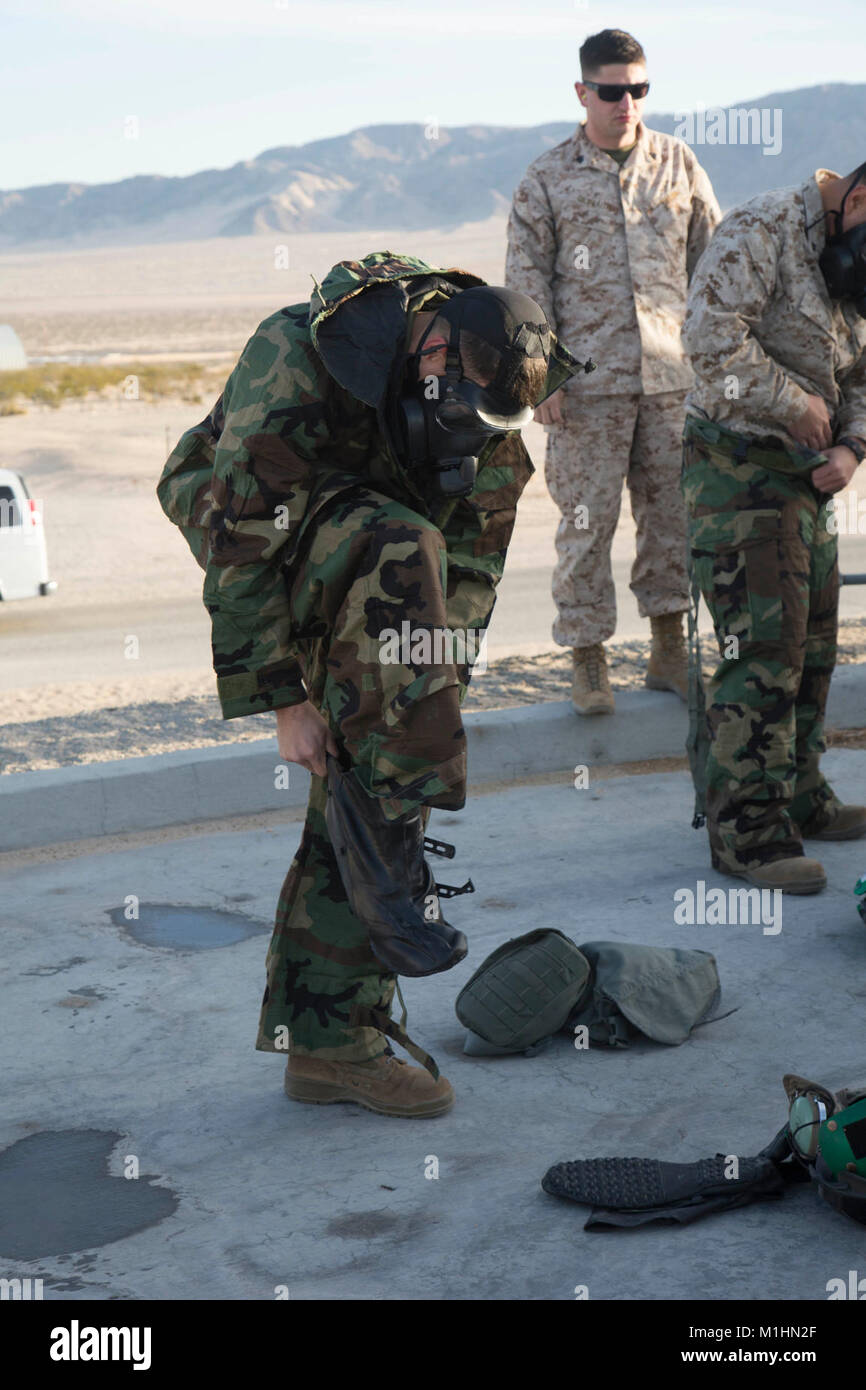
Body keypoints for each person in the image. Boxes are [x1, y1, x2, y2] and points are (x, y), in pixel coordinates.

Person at [157, 252, 579, 1115]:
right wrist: (286, 701)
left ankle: (325, 1043)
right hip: (251, 513)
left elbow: (470, 564)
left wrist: (426, 692)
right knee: (393, 549)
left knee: (385, 751)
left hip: (380, 535)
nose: (478, 428)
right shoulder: (297, 361)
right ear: (431, 355)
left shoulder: (487, 412)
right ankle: (334, 1031)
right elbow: (242, 546)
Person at [505, 27, 720, 715]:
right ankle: (588, 660)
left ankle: (667, 650)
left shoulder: (677, 164)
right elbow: (524, 287)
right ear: (582, 92)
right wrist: (540, 382)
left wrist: (716, 370)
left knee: (672, 518)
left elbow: (712, 269)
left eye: (638, 89)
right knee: (585, 523)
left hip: (670, 384)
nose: (626, 102)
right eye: (611, 90)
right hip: (585, 389)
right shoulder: (547, 177)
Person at [682, 163, 866, 893]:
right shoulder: (762, 229)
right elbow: (707, 341)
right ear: (855, 200)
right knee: (761, 653)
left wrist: (852, 445)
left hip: (809, 480)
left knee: (812, 647)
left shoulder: (850, 250)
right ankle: (749, 837)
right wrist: (791, 403)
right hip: (738, 473)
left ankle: (799, 796)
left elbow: (862, 378)